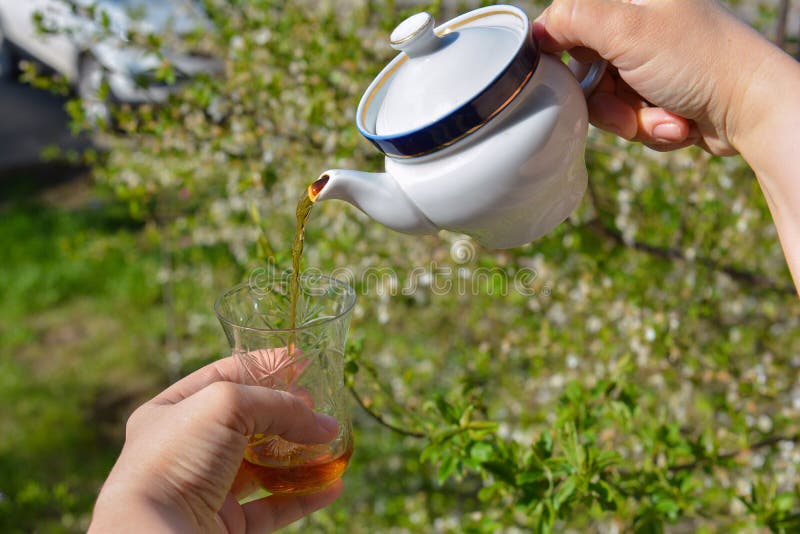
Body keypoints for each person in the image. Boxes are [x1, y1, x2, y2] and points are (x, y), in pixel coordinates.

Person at [90, 1, 800, 532]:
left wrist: (743, 95)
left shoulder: (531, 82)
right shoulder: (537, 98)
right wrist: (747, 95)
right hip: (519, 94)